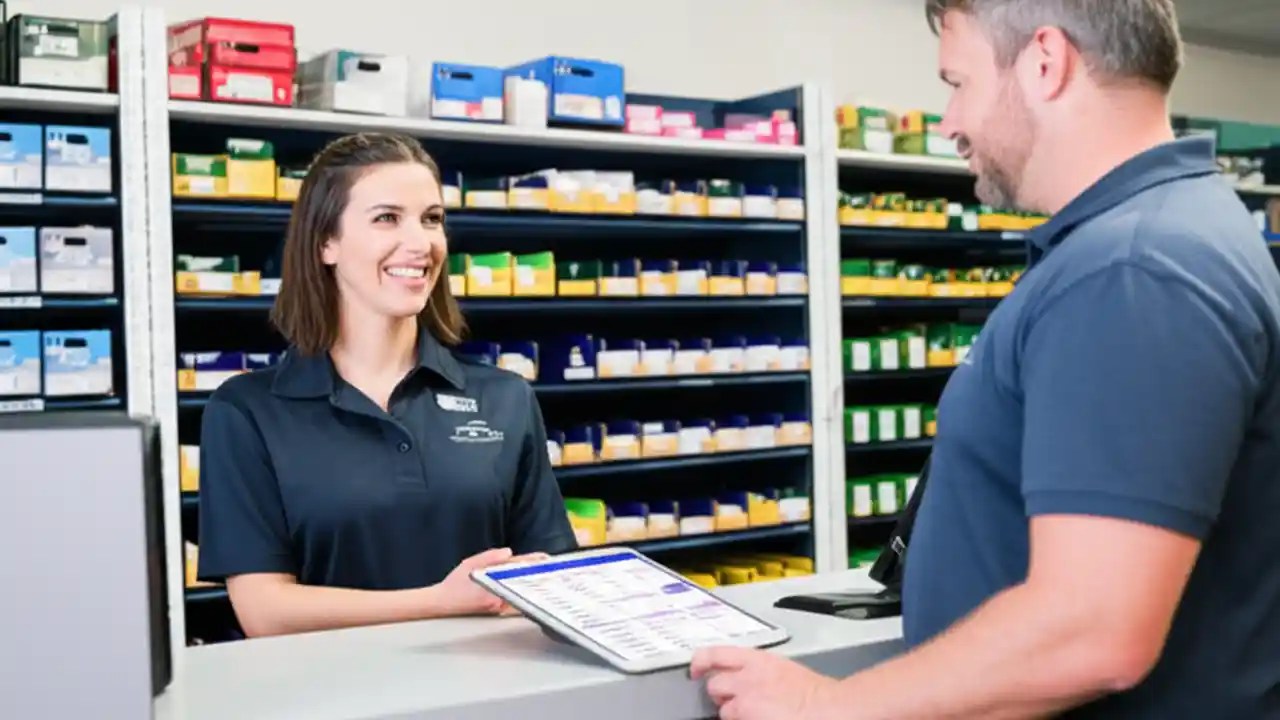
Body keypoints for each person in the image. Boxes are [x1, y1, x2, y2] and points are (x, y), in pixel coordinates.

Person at [691, 1, 1280, 717]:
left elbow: (1092, 631)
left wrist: (828, 706)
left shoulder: (1132, 267)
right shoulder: (1159, 237)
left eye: (957, 82)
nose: (949, 123)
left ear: (1044, 62)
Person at [197, 132, 577, 638]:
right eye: (386, 218)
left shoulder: (504, 398)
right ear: (324, 242)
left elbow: (554, 577)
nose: (420, 243)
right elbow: (264, 612)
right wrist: (440, 602)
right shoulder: (246, 412)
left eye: (432, 219)